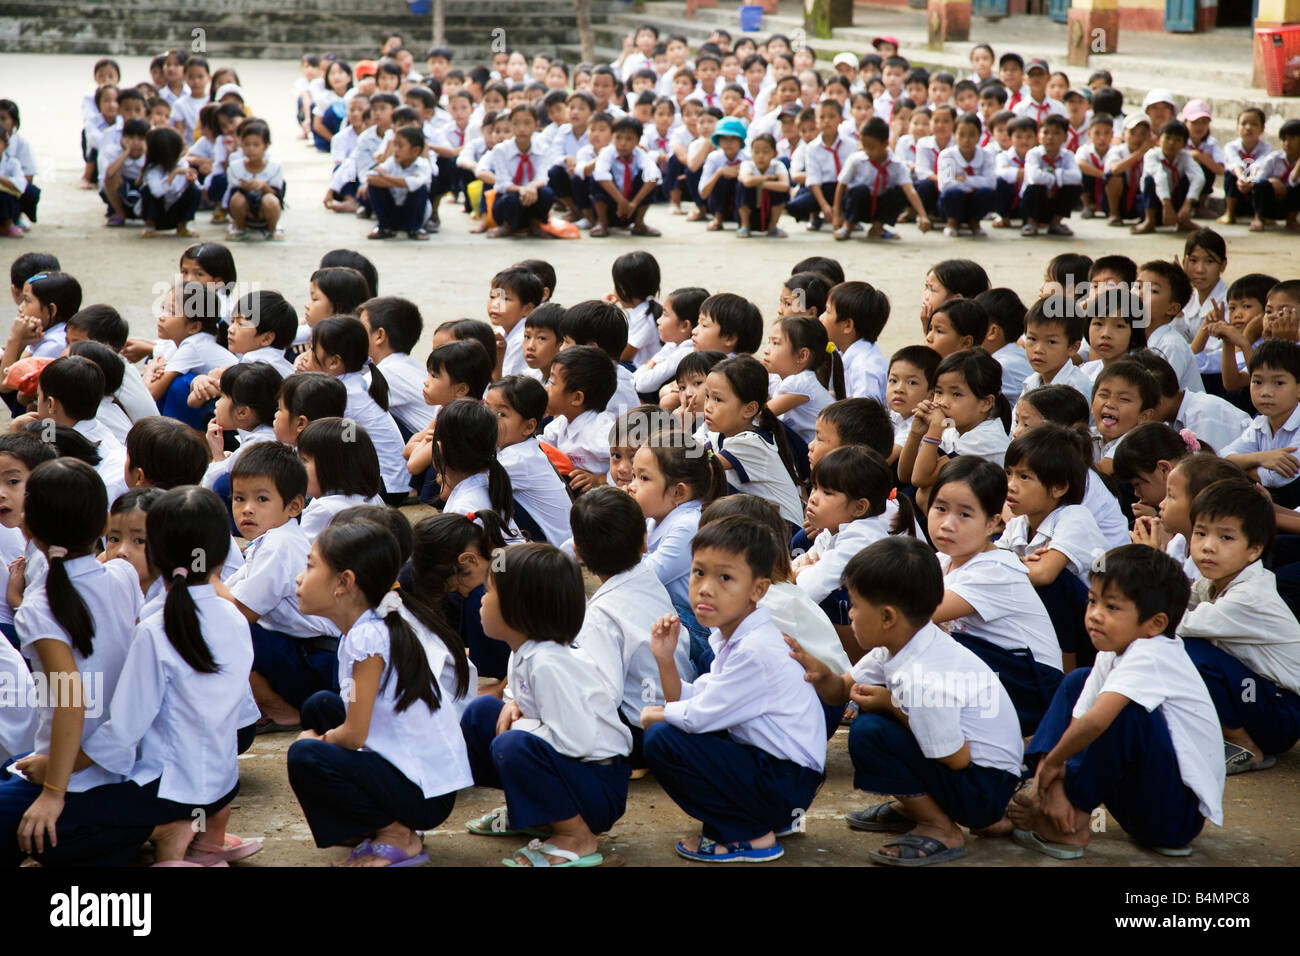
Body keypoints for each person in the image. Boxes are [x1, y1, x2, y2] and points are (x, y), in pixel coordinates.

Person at [789, 535, 1022, 866]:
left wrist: (889, 704)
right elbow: (842, 689)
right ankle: (916, 805)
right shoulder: (900, 645)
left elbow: (955, 758)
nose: (851, 614)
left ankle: (939, 826)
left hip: (983, 788)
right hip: (977, 776)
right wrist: (817, 670)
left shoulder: (922, 675)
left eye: (855, 605)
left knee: (871, 733)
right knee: (877, 725)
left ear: (887, 618)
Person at [1010, 545, 1223, 860]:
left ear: (1155, 623)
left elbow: (1096, 722)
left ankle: (1073, 822)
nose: (1095, 615)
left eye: (1111, 607)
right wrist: (1053, 781)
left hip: (1174, 818)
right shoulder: (1113, 651)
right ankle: (1054, 799)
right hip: (1136, 803)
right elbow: (1078, 718)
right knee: (1076, 682)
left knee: (1125, 712)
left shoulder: (1153, 653)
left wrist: (1053, 766)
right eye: (1092, 601)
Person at [640, 515, 826, 862]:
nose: (706, 588)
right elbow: (695, 699)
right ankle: (754, 819)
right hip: (781, 778)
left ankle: (749, 834)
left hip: (785, 782)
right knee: (669, 728)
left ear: (758, 589)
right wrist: (665, 659)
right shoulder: (735, 638)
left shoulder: (754, 649)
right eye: (699, 573)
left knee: (662, 738)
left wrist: (658, 713)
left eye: (725, 577)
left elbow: (696, 717)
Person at [288, 521, 472, 866]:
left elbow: (354, 732)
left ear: (344, 583)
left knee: (305, 756)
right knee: (321, 706)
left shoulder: (367, 638)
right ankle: (378, 823)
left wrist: (319, 742)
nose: (300, 577)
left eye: (310, 566)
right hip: (420, 781)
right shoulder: (370, 626)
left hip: (424, 795)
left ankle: (396, 834)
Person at [0, 460, 141, 866]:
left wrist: (52, 794)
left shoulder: (37, 609)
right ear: (103, 526)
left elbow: (71, 703)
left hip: (75, 779)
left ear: (27, 527)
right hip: (122, 764)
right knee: (13, 768)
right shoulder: (123, 575)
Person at [459, 543, 632, 867]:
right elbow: (535, 705)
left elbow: (578, 740)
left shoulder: (549, 664)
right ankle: (537, 815)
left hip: (597, 786)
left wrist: (522, 724)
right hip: (575, 774)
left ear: (519, 608)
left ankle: (575, 835)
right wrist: (516, 706)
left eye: (489, 592)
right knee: (482, 714)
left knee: (512, 742)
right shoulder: (524, 651)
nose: (481, 599)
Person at [1175, 477, 1300, 774]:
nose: (1208, 546)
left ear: (1254, 550)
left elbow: (1177, 621)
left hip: (1283, 711)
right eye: (1200, 533)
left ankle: (1244, 745)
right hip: (1261, 698)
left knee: (1190, 648)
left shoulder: (1250, 596)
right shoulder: (1215, 581)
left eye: (1226, 538)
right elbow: (1177, 601)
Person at [928, 457, 1063, 733]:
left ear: (992, 523)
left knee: (927, 640)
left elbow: (917, 612)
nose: (947, 524)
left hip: (1031, 684)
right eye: (940, 509)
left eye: (964, 514)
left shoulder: (995, 569)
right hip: (995, 670)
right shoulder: (941, 561)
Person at [219, 442, 338, 730]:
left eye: (261, 499)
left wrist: (203, 578)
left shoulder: (278, 546)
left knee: (224, 629)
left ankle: (278, 707)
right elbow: (228, 591)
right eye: (238, 499)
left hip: (320, 663)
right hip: (308, 654)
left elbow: (238, 611)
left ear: (294, 505)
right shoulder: (273, 539)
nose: (246, 510)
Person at [571, 487, 689, 769]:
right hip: (673, 712)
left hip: (639, 731)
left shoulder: (599, 613)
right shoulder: (648, 578)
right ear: (645, 543)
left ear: (577, 553)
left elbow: (606, 695)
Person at [308, 316, 411, 503]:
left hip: (385, 485)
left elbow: (342, 447)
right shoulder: (352, 383)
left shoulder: (345, 395)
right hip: (393, 482)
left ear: (334, 362)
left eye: (313, 350)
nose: (308, 355)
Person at [695, 354, 803, 529]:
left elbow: (697, 467)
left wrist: (679, 424)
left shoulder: (750, 443)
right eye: (707, 396)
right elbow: (694, 455)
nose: (707, 406)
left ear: (749, 409)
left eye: (718, 399)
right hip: (762, 522)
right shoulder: (720, 435)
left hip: (784, 531)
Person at [899, 348, 1011, 496]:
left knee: (925, 495)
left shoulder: (985, 439)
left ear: (986, 403)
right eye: (939, 392)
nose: (942, 402)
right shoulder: (953, 429)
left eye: (956, 394)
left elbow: (919, 479)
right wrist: (915, 433)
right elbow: (905, 476)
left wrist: (934, 431)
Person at [484, 376, 573, 546]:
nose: (489, 419)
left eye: (501, 414)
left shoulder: (519, 459)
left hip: (551, 548)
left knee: (484, 494)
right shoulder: (519, 446)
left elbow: (471, 480)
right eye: (487, 410)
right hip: (558, 542)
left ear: (528, 427)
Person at [1223, 340, 1300, 508]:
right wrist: (1262, 457)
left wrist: (1243, 466)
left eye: (1279, 383)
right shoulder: (1260, 423)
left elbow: (1276, 478)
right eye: (1257, 382)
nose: (1265, 393)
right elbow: (1222, 458)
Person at [834, 117, 929, 240]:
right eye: (864, 145)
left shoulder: (897, 165)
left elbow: (910, 190)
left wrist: (923, 215)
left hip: (880, 206)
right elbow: (841, 185)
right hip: (859, 205)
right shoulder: (856, 160)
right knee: (859, 190)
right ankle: (848, 226)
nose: (867, 151)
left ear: (885, 143)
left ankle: (878, 228)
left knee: (899, 192)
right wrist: (837, 215)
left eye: (872, 147)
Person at [297, 417, 383, 540]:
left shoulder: (325, 509)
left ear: (332, 468)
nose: (298, 466)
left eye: (304, 460)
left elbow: (297, 549)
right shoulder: (373, 499)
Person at [476, 104, 554, 238]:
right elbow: (502, 183)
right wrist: (520, 190)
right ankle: (506, 226)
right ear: (511, 126)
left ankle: (535, 225)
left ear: (536, 125)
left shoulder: (542, 148)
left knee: (547, 193)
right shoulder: (501, 150)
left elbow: (542, 177)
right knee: (510, 198)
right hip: (507, 200)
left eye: (527, 123)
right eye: (516, 123)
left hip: (532, 197)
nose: (522, 128)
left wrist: (531, 187)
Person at [590, 116, 662, 237]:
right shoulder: (607, 153)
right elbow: (601, 175)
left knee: (648, 178)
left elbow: (654, 175)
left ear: (637, 141)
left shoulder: (640, 154)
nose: (623, 143)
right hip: (611, 205)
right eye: (618, 138)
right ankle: (602, 222)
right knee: (596, 179)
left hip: (631, 207)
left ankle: (639, 224)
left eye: (629, 139)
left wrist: (633, 203)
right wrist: (621, 201)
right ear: (612, 137)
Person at [1131, 121, 1204, 235]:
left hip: (1175, 205)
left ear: (1184, 144)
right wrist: (1166, 205)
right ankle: (1149, 221)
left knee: (1188, 178)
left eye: (1177, 140)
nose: (1171, 143)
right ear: (1159, 139)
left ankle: (1184, 221)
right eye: (1167, 138)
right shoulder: (1151, 155)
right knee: (1150, 180)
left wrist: (1187, 204)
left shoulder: (1185, 157)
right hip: (1152, 205)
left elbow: (1199, 177)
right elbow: (1160, 177)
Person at [364, 127, 432, 240]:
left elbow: (414, 184)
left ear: (415, 150)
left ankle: (416, 229)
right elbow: (371, 178)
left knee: (420, 189)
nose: (395, 149)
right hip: (393, 211)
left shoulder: (423, 165)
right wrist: (402, 182)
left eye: (400, 146)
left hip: (412, 213)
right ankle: (384, 227)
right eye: (394, 145)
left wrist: (386, 177)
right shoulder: (392, 162)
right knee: (374, 187)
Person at [1020, 114, 1083, 237]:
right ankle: (1030, 223)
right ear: (1039, 136)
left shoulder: (1068, 155)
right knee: (1036, 187)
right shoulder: (1033, 154)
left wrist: (1051, 172)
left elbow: (1076, 177)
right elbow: (1035, 177)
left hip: (1055, 202)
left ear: (1065, 137)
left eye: (1056, 133)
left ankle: (1055, 223)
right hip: (1033, 203)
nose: (1050, 137)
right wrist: (1060, 177)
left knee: (1075, 188)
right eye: (1046, 132)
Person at [225, 119, 285, 241]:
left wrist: (264, 187)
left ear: (266, 146)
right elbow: (233, 191)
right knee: (237, 199)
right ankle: (240, 227)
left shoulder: (275, 167)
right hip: (244, 210)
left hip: (265, 212)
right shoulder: (235, 167)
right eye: (247, 144)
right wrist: (245, 187)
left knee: (270, 200)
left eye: (256, 145)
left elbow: (278, 194)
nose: (251, 149)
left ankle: (272, 228)